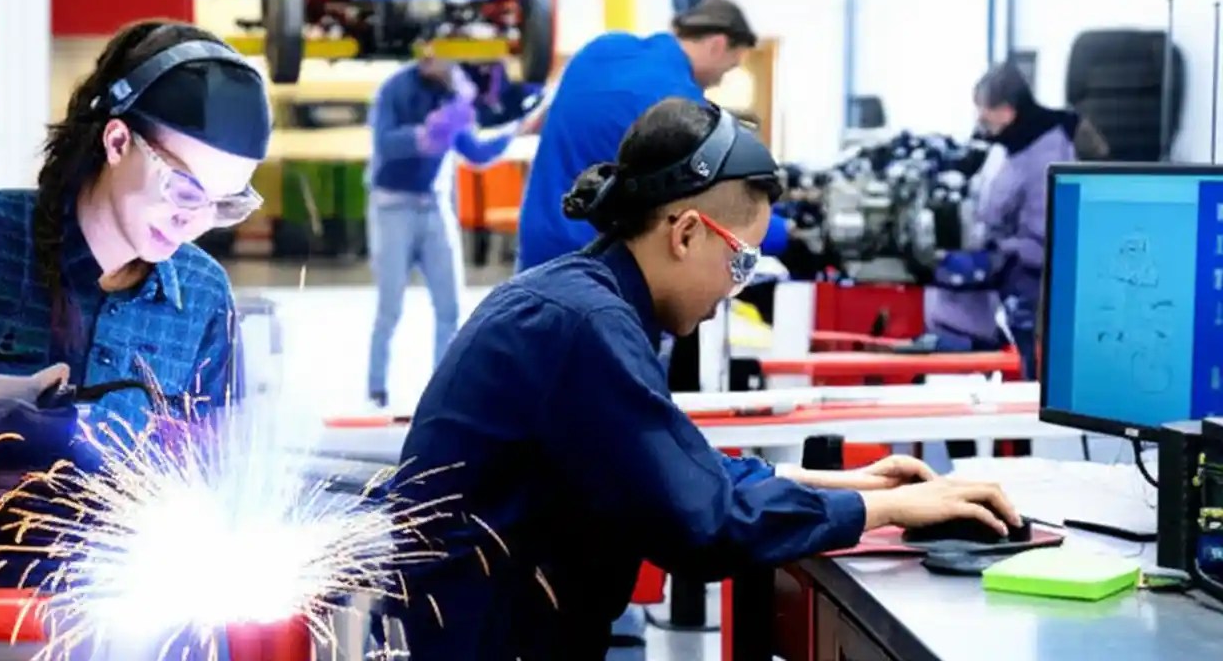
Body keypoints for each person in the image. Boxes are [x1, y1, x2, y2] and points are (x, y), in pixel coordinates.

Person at [376, 98, 1020, 659]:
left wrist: (844, 480)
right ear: (685, 233)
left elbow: (664, 466)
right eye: (741, 261)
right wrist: (886, 509)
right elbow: (702, 521)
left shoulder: (578, 298)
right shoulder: (584, 323)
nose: (737, 286)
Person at [0, 19, 273, 585]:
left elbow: (223, 471)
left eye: (222, 204)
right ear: (118, 141)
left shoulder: (203, 295)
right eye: (185, 189)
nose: (193, 222)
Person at [517, 0, 794, 272]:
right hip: (592, 266)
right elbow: (716, 205)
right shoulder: (677, 106)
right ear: (717, 45)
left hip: (537, 243)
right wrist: (788, 235)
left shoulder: (602, 49)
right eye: (730, 66)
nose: (721, 79)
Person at [926, 62, 1108, 458]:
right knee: (956, 364)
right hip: (996, 284)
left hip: (1026, 290)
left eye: (984, 109)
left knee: (1018, 386)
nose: (980, 118)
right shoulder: (1009, 143)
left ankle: (1018, 468)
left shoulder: (1047, 151)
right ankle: (966, 462)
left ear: (1007, 109)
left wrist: (993, 256)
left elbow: (1044, 238)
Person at [366, 53, 531, 408]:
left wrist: (516, 129)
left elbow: (475, 150)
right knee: (389, 307)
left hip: (434, 205)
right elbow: (384, 142)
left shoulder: (453, 90)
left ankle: (445, 388)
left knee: (451, 306)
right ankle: (376, 389)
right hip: (392, 207)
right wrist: (421, 135)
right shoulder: (397, 87)